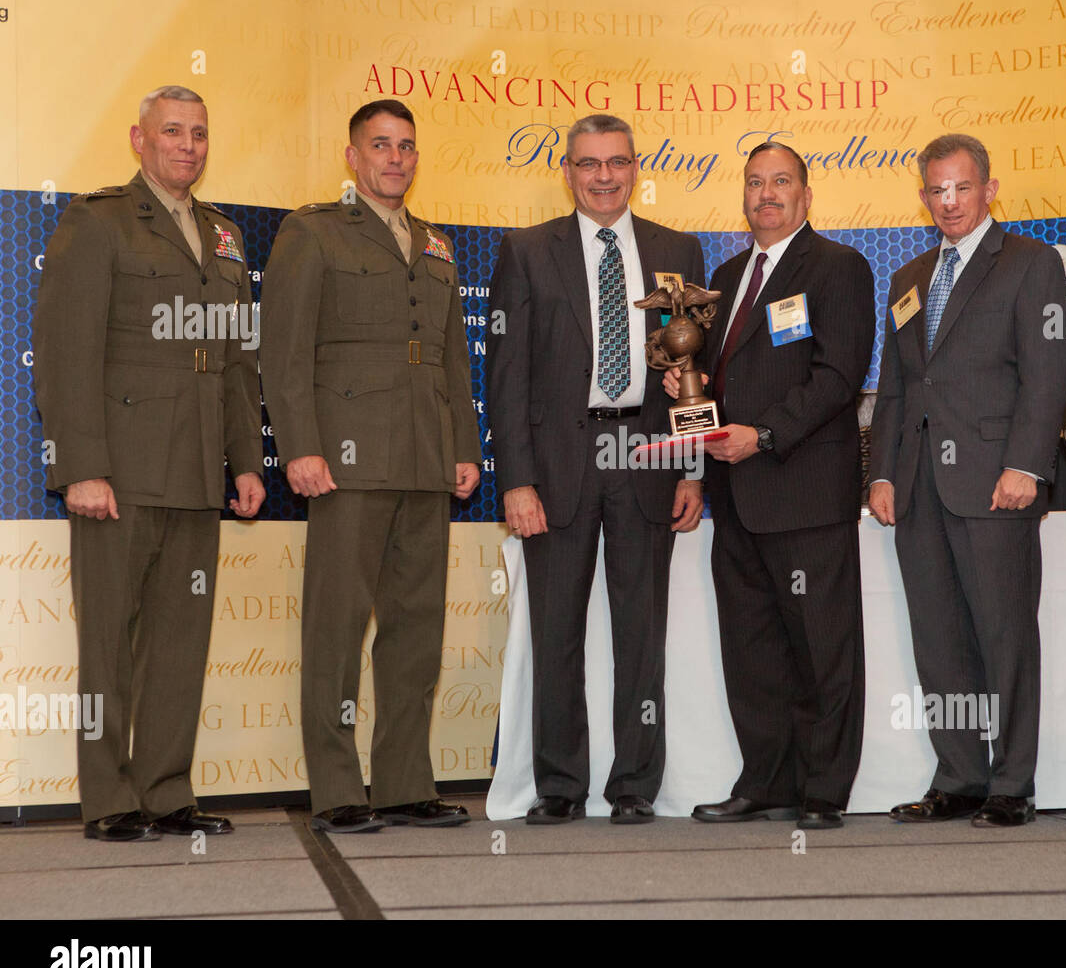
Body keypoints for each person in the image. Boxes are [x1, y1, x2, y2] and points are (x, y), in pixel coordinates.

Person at [32, 85, 265, 842]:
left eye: (198, 132)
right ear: (139, 140)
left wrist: (245, 461)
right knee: (109, 644)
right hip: (121, 473)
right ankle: (107, 798)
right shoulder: (97, 223)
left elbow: (233, 363)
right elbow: (68, 355)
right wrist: (82, 467)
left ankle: (167, 792)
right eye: (172, 131)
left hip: (197, 472)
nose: (187, 145)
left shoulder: (224, 237)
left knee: (178, 643)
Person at [260, 99, 481, 833]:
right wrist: (301, 446)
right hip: (346, 459)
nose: (395, 158)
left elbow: (452, 358)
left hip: (424, 456)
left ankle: (403, 782)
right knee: (337, 627)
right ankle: (336, 788)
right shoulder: (313, 231)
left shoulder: (436, 245)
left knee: (416, 629)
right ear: (351, 156)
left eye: (407, 146)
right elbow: (285, 350)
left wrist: (463, 448)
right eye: (380, 145)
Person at [486, 114, 706, 824]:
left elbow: (694, 374)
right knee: (557, 631)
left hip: (647, 460)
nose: (604, 176)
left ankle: (635, 782)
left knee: (642, 630)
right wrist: (516, 480)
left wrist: (692, 469)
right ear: (568, 171)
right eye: (588, 164)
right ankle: (558, 783)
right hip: (557, 465)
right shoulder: (525, 252)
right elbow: (507, 375)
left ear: (635, 166)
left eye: (616, 162)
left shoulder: (678, 251)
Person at [868, 134, 1066, 827]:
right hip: (919, 487)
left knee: (1005, 635)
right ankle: (959, 776)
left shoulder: (1031, 263)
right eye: (936, 190)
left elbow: (1048, 375)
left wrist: (1026, 465)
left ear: (988, 189)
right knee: (939, 638)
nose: (948, 202)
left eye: (960, 188)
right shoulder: (909, 278)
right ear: (923, 196)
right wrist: (883, 474)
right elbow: (896, 388)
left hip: (995, 484)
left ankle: (1012, 782)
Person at [680, 141, 873, 830]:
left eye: (781, 181)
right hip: (735, 496)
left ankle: (822, 790)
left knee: (822, 646)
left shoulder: (838, 268)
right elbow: (713, 383)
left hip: (803, 489)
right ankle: (765, 782)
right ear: (744, 196)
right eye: (756, 183)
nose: (767, 194)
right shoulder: (726, 277)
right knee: (753, 648)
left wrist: (762, 435)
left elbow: (838, 375)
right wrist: (688, 394)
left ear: (806, 194)